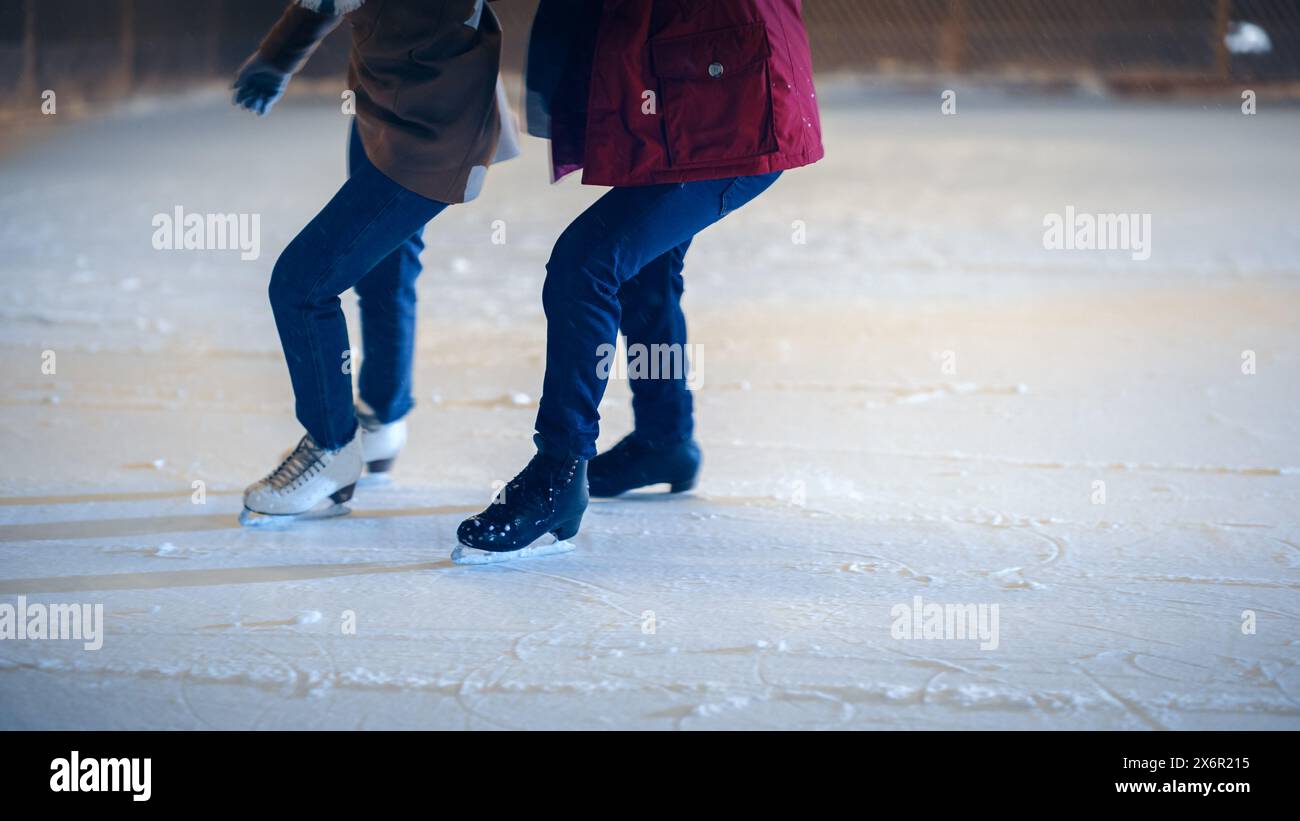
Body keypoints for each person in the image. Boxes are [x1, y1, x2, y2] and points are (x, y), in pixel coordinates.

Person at [455, 0, 824, 557]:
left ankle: (559, 471)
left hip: (733, 98)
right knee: (644, 270)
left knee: (587, 265)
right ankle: (664, 438)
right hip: (686, 87)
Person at [231, 0, 518, 526]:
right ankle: (382, 417)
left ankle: (331, 448)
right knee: (386, 265)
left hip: (437, 124)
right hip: (382, 103)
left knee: (302, 284)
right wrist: (278, 54)